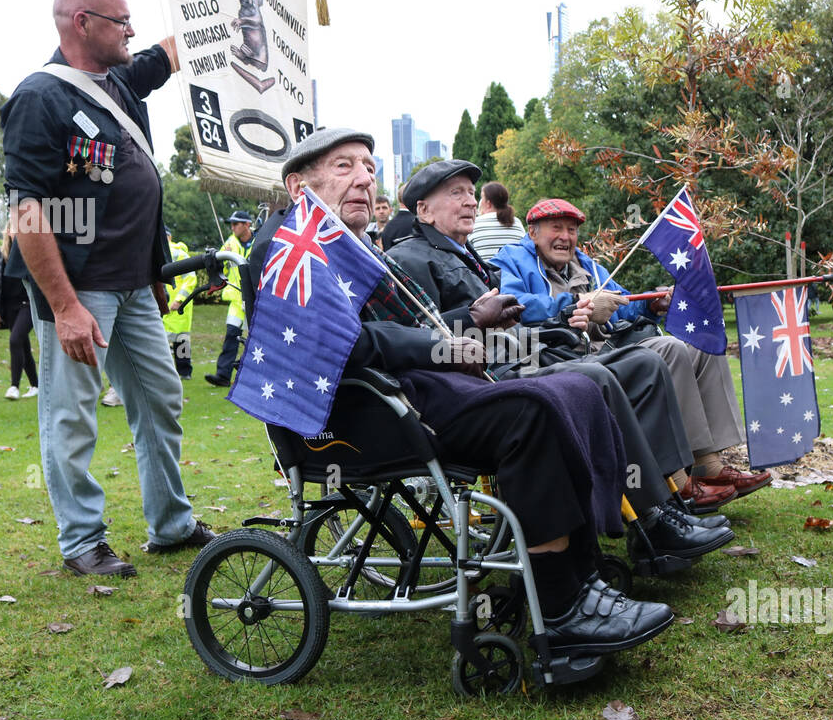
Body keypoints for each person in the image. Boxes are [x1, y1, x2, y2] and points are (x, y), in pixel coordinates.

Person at [245, 127, 674, 660]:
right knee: (535, 409)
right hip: (361, 415)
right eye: (343, 167)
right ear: (297, 185)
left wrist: (453, 336)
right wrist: (439, 345)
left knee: (579, 390)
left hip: (413, 392)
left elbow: (408, 325)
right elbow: (347, 343)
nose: (363, 179)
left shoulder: (355, 246)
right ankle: (561, 609)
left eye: (369, 168)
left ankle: (581, 579)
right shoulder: (289, 249)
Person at [385, 159, 736, 569]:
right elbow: (426, 341)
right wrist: (500, 320)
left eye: (469, 193)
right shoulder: (411, 258)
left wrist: (566, 323)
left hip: (531, 354)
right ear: (423, 210)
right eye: (454, 194)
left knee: (646, 366)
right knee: (597, 377)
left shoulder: (465, 256)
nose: (468, 202)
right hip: (491, 377)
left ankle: (670, 501)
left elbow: (523, 316)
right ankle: (651, 522)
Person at [0, 0, 216, 577]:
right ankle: (82, 542)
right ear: (82, 23)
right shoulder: (39, 98)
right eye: (122, 22)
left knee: (161, 399)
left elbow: (171, 53)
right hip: (79, 290)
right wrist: (66, 307)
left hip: (133, 284)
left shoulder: (118, 78)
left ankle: (170, 524)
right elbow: (26, 211)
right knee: (73, 416)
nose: (131, 32)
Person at [492, 198, 772, 508]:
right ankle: (676, 479)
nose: (565, 237)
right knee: (670, 349)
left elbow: (625, 300)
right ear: (532, 232)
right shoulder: (511, 261)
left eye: (571, 230)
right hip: (565, 355)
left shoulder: (587, 265)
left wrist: (652, 303)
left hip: (612, 345)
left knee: (704, 345)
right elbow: (513, 305)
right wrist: (575, 302)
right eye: (555, 228)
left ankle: (709, 463)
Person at [205, 209, 255, 387]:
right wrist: (220, 257)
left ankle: (252, 376)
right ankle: (223, 375)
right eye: (231, 224)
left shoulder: (260, 241)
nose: (232, 227)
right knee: (231, 336)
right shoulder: (229, 243)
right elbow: (215, 267)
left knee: (254, 339)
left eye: (236, 224)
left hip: (255, 299)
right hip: (236, 299)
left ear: (247, 225)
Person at [0, 225, 39, 399]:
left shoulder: (30, 251)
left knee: (15, 339)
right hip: (9, 306)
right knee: (23, 346)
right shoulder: (1, 255)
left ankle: (14, 386)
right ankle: (35, 385)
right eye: (13, 229)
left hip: (28, 303)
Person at [163, 227, 197, 379]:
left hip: (177, 304)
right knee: (180, 339)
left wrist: (178, 300)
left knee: (180, 339)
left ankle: (183, 372)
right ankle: (183, 372)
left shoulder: (175, 253)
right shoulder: (178, 253)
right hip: (173, 303)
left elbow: (190, 278)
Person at [468, 181, 526, 262]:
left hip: (484, 273)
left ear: (488, 203)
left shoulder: (475, 224)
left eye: (482, 197)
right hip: (514, 273)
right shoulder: (517, 223)